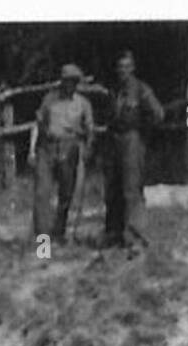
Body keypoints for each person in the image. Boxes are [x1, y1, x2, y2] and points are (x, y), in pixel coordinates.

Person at [103, 50, 164, 250]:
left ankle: (135, 237)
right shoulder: (114, 90)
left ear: (133, 68)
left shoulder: (141, 89)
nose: (123, 71)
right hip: (114, 140)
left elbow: (158, 114)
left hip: (132, 139)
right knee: (113, 188)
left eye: (126, 67)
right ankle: (114, 233)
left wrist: (143, 132)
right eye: (120, 67)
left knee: (131, 188)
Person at [28, 64, 94, 245]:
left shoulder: (83, 104)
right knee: (42, 194)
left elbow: (90, 129)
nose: (69, 84)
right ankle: (43, 244)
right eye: (67, 81)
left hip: (70, 148)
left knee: (66, 193)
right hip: (47, 147)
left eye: (73, 81)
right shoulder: (49, 100)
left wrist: (88, 148)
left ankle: (59, 232)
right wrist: (32, 150)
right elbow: (37, 124)